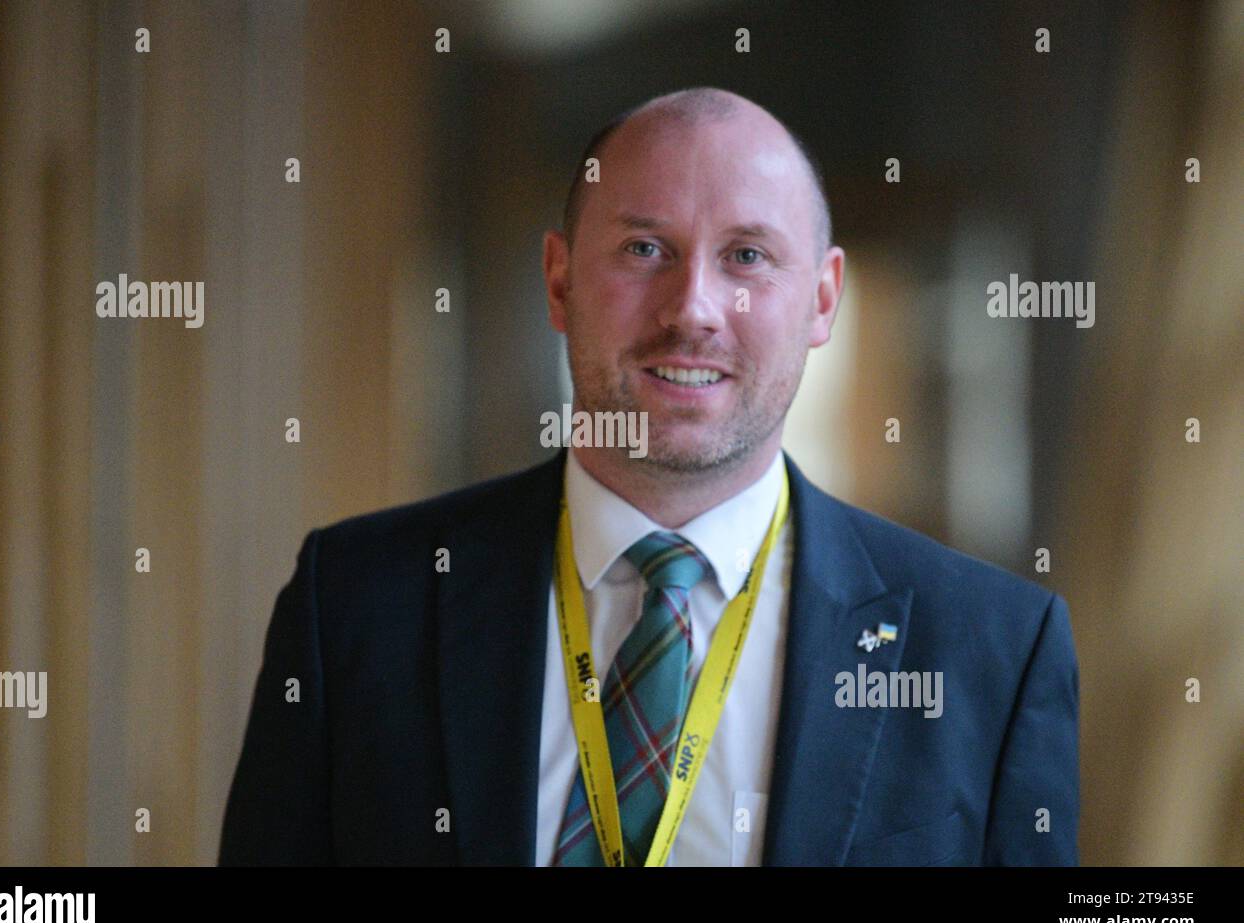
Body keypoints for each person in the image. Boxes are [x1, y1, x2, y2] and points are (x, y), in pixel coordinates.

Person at [218, 86, 1079, 866]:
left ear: (822, 300)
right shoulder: (360, 607)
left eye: (746, 256)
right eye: (643, 247)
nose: (693, 310)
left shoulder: (992, 653)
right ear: (559, 281)